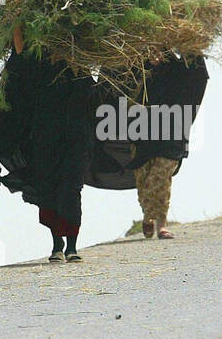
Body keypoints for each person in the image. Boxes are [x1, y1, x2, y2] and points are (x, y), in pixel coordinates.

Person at [0, 26, 96, 263]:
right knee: (49, 189)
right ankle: (56, 245)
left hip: (76, 139)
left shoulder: (80, 70)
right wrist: (16, 22)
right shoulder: (36, 65)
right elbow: (19, 55)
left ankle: (72, 246)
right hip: (45, 138)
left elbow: (95, 99)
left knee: (72, 188)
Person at [86, 53, 209, 240]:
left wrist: (194, 48)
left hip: (170, 131)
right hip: (141, 131)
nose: (155, 54)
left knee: (160, 176)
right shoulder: (134, 68)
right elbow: (114, 86)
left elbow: (197, 76)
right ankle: (147, 215)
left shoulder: (177, 68)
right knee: (143, 177)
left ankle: (161, 223)